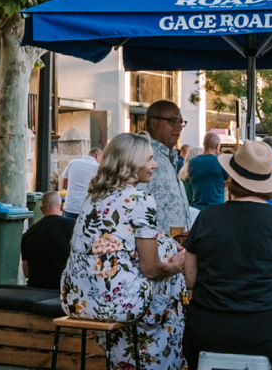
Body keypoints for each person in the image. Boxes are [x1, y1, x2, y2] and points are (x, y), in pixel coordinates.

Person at [182, 141, 272, 370]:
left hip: (208, 329)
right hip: (270, 329)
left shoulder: (207, 217)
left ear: (232, 178)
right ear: (268, 183)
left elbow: (191, 280)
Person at [61, 133, 187, 370]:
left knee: (165, 246)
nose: (155, 164)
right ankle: (160, 362)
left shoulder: (93, 197)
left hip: (75, 300)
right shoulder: (140, 199)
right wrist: (176, 266)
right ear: (132, 163)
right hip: (117, 304)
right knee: (172, 279)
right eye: (149, 159)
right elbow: (151, 270)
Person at [135, 100, 192, 233]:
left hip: (174, 246)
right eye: (172, 121)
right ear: (154, 123)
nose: (178, 127)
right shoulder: (143, 154)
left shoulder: (168, 156)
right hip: (154, 248)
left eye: (181, 122)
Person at [21, 191, 74, 290]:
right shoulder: (74, 227)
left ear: (41, 209)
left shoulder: (28, 234)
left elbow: (26, 273)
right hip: (63, 288)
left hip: (36, 288)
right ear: (62, 206)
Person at [187, 131, 228, 210]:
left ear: (204, 144)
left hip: (198, 207)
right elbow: (228, 180)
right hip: (217, 207)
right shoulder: (220, 161)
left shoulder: (192, 162)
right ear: (217, 145)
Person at [61, 147, 102, 221]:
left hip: (70, 207)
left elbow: (64, 185)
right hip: (86, 207)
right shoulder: (97, 167)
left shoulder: (73, 162)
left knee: (68, 231)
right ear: (97, 155)